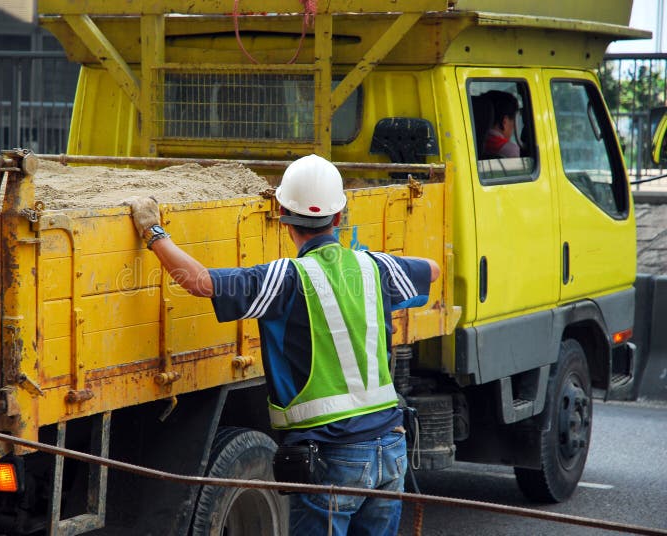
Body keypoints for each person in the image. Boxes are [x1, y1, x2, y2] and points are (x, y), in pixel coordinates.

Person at [125, 154, 439, 535]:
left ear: (282, 215)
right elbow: (433, 270)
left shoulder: (284, 279)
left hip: (334, 455)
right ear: (339, 218)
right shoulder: (375, 268)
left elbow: (200, 282)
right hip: (390, 448)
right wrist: (369, 257)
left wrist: (154, 232)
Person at [483, 90, 520, 158]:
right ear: (504, 122)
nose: (514, 128)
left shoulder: (473, 144)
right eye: (513, 122)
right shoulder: (511, 151)